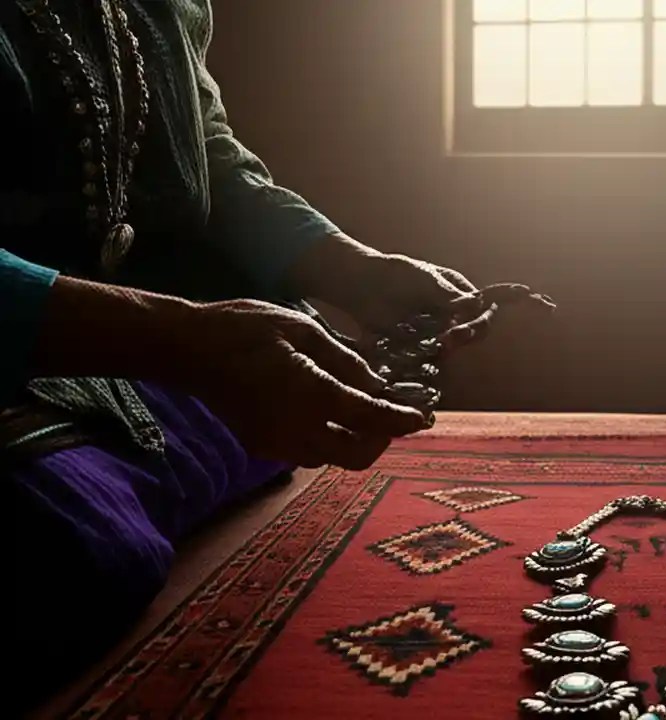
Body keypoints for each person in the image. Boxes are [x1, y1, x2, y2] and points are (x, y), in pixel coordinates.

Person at [1, 0, 491, 705]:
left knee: (284, 386)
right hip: (29, 353)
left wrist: (350, 270)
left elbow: (209, 157)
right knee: (67, 552)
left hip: (142, 338)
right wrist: (182, 341)